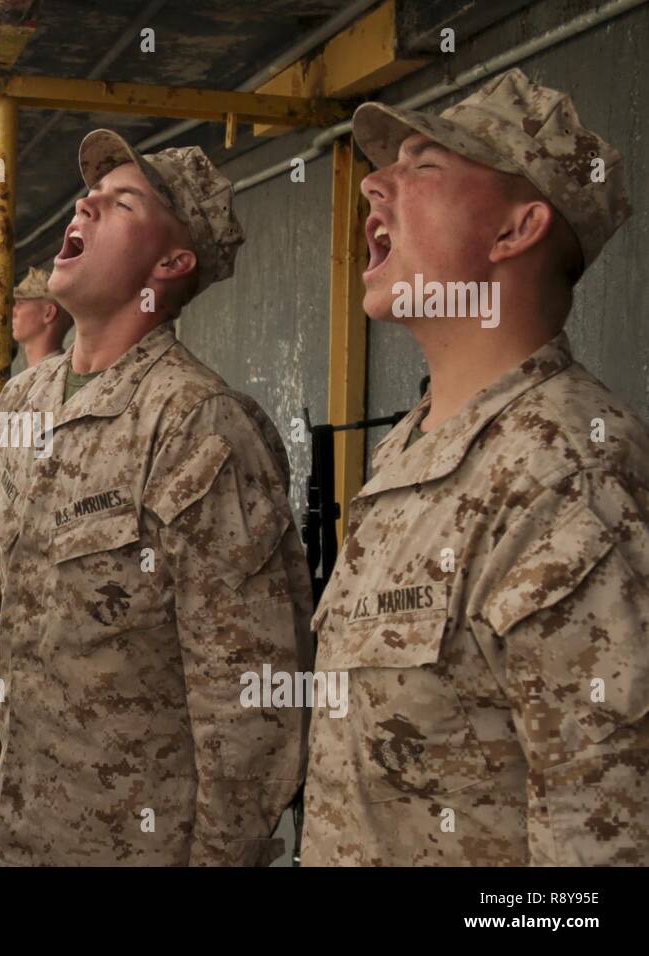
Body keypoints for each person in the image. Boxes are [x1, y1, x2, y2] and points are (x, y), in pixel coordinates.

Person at [301, 68, 648, 866]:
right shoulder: (415, 448)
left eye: (423, 166)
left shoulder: (569, 474)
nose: (375, 186)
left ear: (515, 230)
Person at [0, 130, 313, 865]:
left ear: (170, 263)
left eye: (122, 200)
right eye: (91, 194)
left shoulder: (198, 424)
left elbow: (247, 687)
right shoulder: (21, 400)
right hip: (25, 824)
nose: (87, 201)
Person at [11, 267, 72, 366]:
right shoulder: (63, 371)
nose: (13, 313)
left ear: (48, 313)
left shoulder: (57, 373)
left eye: (20, 304)